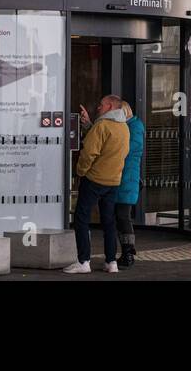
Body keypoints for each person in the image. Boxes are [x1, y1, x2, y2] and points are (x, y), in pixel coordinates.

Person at [64, 94, 130, 274]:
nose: (98, 108)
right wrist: (89, 125)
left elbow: (89, 153)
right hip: (113, 181)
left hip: (94, 179)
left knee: (81, 218)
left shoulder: (102, 126)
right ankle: (111, 262)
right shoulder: (123, 127)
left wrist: (80, 171)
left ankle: (83, 261)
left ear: (109, 106)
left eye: (101, 105)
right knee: (109, 221)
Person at [115, 101, 145, 269]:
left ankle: (128, 252)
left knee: (122, 216)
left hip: (127, 180)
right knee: (119, 217)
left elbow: (126, 149)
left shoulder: (134, 127)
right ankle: (126, 251)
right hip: (123, 179)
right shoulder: (129, 126)